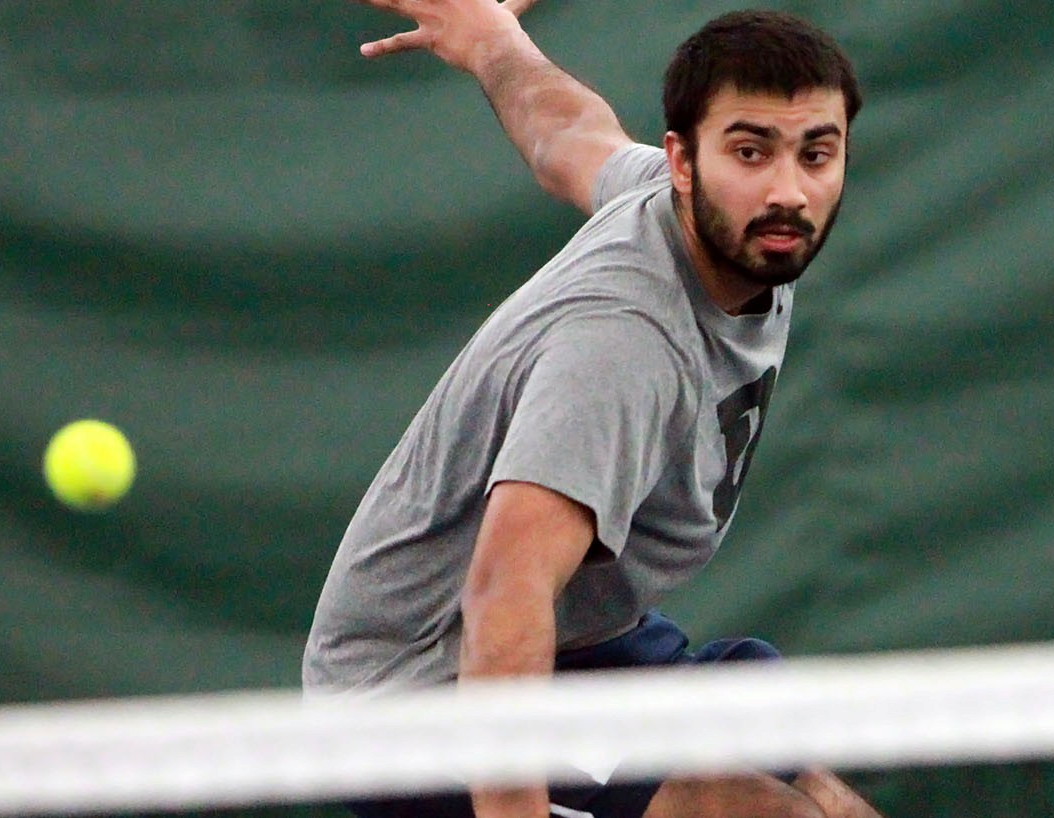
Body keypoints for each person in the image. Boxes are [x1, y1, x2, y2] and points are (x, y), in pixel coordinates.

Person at [305, 2, 881, 816]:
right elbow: (504, 594)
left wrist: (492, 40)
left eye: (815, 153)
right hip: (420, 698)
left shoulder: (692, 212)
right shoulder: (623, 345)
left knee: (824, 797)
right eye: (750, 151)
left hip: (588, 642)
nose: (787, 191)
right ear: (683, 161)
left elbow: (567, 134)